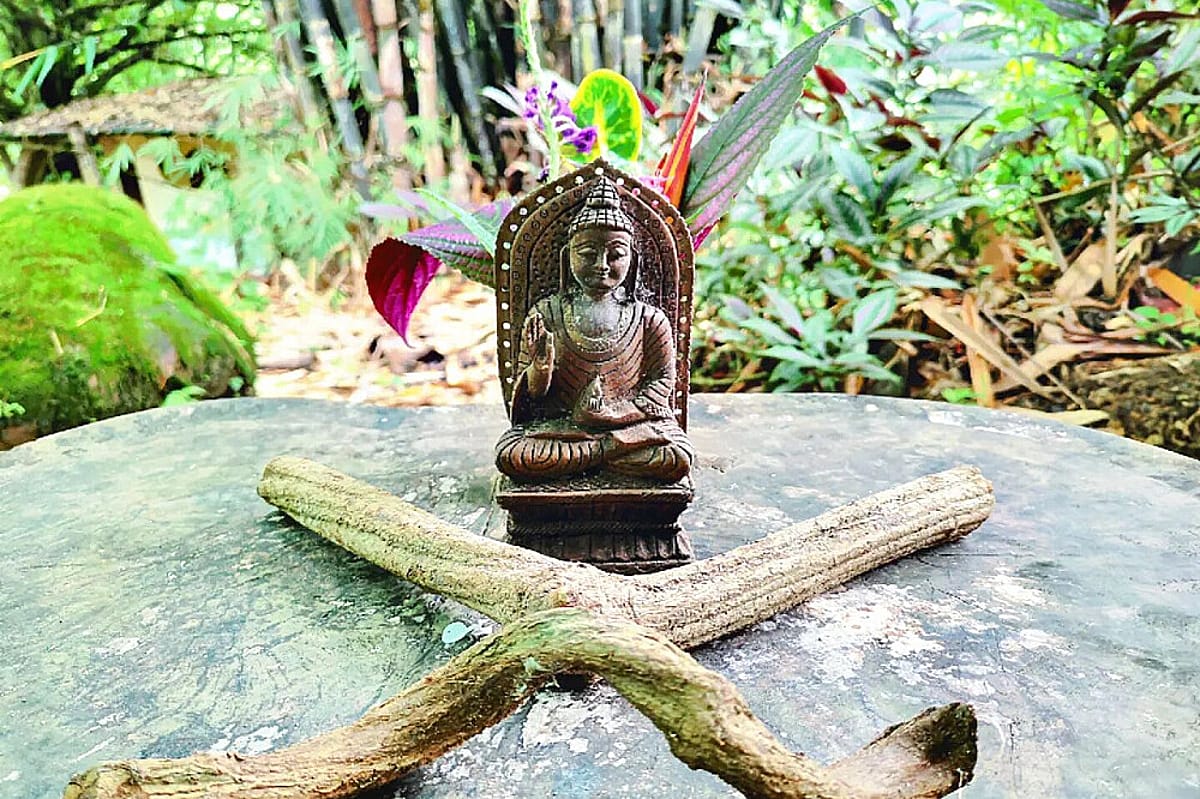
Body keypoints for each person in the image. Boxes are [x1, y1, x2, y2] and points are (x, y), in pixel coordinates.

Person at [495, 178, 693, 482]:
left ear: (633, 259)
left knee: (674, 456)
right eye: (588, 254)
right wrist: (539, 370)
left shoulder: (649, 319)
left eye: (615, 255)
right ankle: (606, 452)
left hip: (630, 425)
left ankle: (595, 454)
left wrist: (616, 415)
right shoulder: (546, 314)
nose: (601, 264)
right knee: (515, 453)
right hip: (563, 432)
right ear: (567, 256)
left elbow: (662, 383)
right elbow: (528, 404)